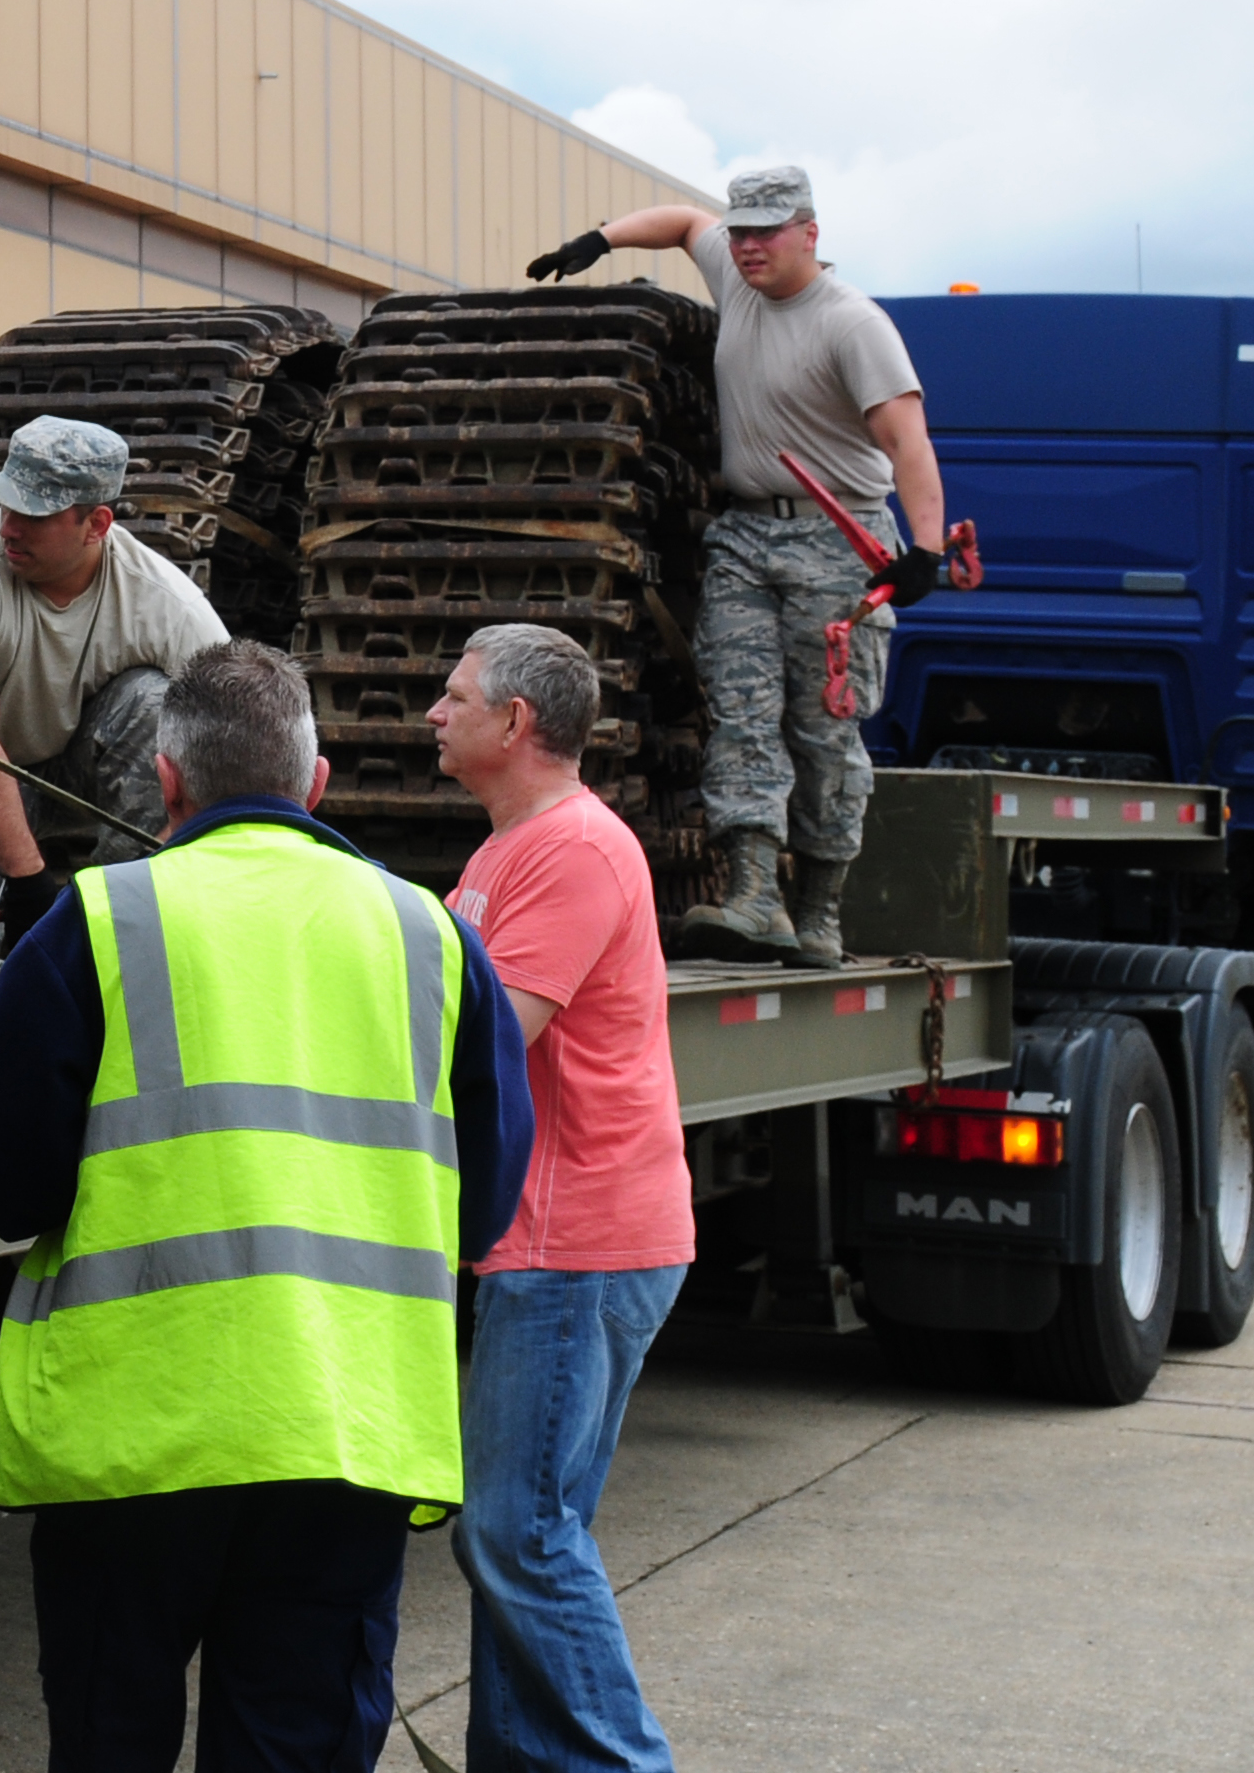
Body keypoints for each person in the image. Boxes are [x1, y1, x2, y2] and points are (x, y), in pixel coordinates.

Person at [0, 641, 536, 1773]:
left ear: (165, 780)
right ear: (316, 783)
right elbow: (484, 1205)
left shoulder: (99, 920)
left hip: (130, 1438)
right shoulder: (429, 935)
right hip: (345, 1428)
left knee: (109, 1741)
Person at [529, 163, 949, 964]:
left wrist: (924, 551)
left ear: (809, 234)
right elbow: (685, 222)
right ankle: (755, 895)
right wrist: (599, 240)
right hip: (746, 537)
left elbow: (907, 442)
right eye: (743, 231)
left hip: (838, 540)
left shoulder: (852, 324)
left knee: (822, 734)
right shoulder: (735, 271)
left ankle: (820, 910)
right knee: (742, 715)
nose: (748, 246)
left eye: (767, 233)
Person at [430, 622, 696, 1773]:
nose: (432, 713)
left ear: (514, 720)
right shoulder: (507, 848)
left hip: (575, 1242)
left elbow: (490, 1036)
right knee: (527, 1534)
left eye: (453, 695)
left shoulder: (573, 850)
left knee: (516, 1533)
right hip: (559, 1238)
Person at [0, 415, 227, 968]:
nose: (9, 528)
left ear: (96, 524)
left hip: (73, 760)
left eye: (33, 515)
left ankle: (122, 913)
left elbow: (231, 735)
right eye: (5, 506)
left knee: (162, 706)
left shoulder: (164, 602)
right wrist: (28, 884)